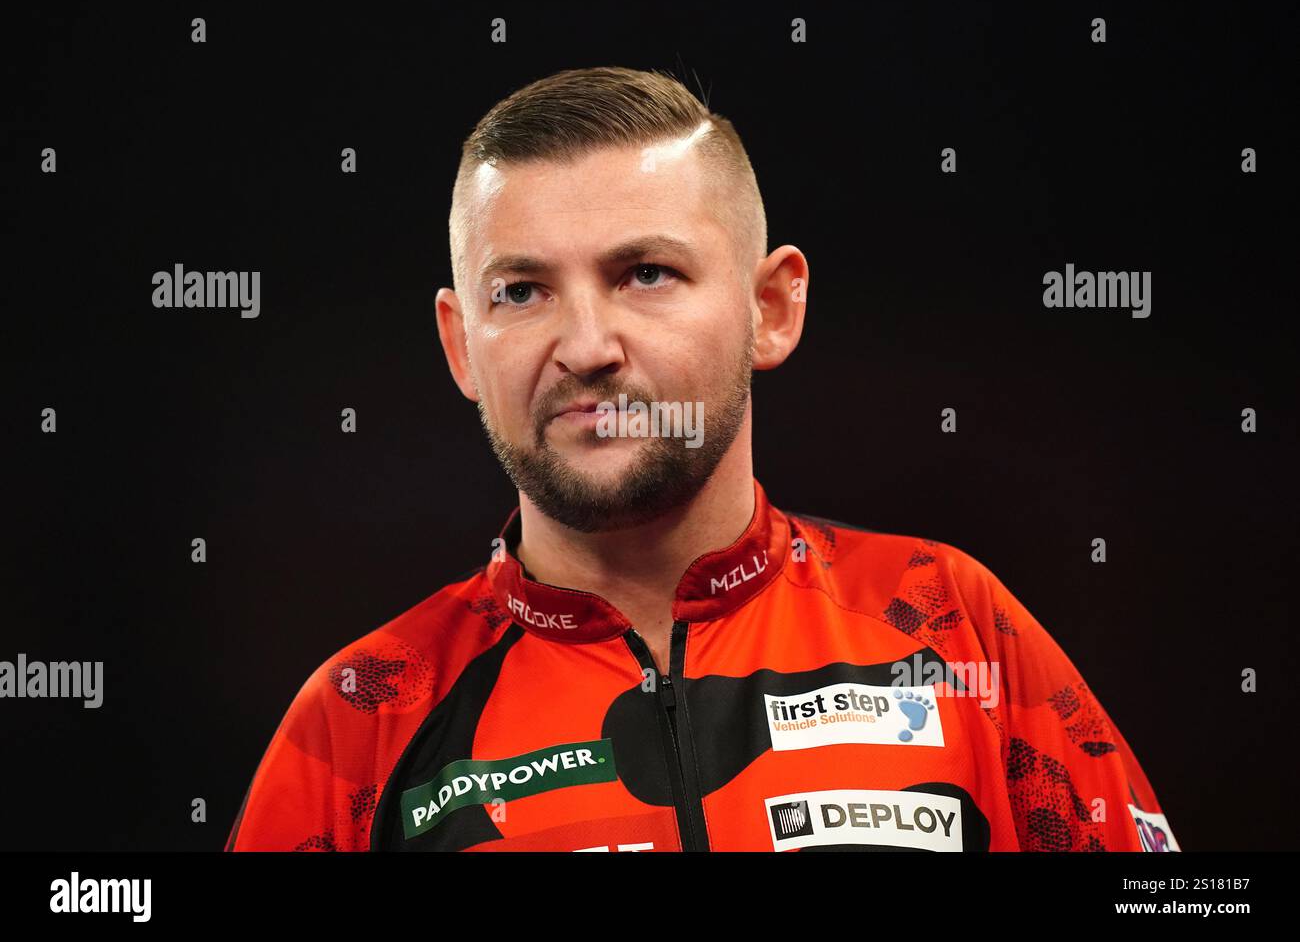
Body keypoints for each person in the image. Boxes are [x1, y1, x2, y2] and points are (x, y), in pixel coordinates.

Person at [225, 66, 1178, 852]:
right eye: (520, 291)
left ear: (772, 308)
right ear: (461, 345)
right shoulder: (360, 714)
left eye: (646, 274)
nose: (587, 344)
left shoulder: (954, 624)